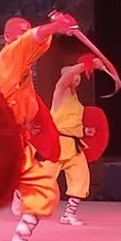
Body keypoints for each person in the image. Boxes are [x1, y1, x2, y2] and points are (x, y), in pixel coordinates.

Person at [0, 13, 77, 241]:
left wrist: (56, 29)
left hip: (15, 138)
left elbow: (37, 42)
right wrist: (54, 26)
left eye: (26, 31)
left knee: (40, 186)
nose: (24, 36)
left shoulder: (24, 63)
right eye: (19, 33)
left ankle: (17, 194)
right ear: (7, 38)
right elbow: (33, 38)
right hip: (5, 140)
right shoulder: (9, 54)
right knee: (43, 188)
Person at [47, 59, 100, 226]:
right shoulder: (60, 92)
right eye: (74, 74)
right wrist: (89, 64)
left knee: (81, 177)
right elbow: (68, 75)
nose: (77, 77)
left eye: (79, 75)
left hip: (75, 145)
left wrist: (84, 131)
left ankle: (69, 214)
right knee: (44, 179)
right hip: (59, 144)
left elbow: (70, 122)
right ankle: (22, 196)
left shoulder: (75, 99)